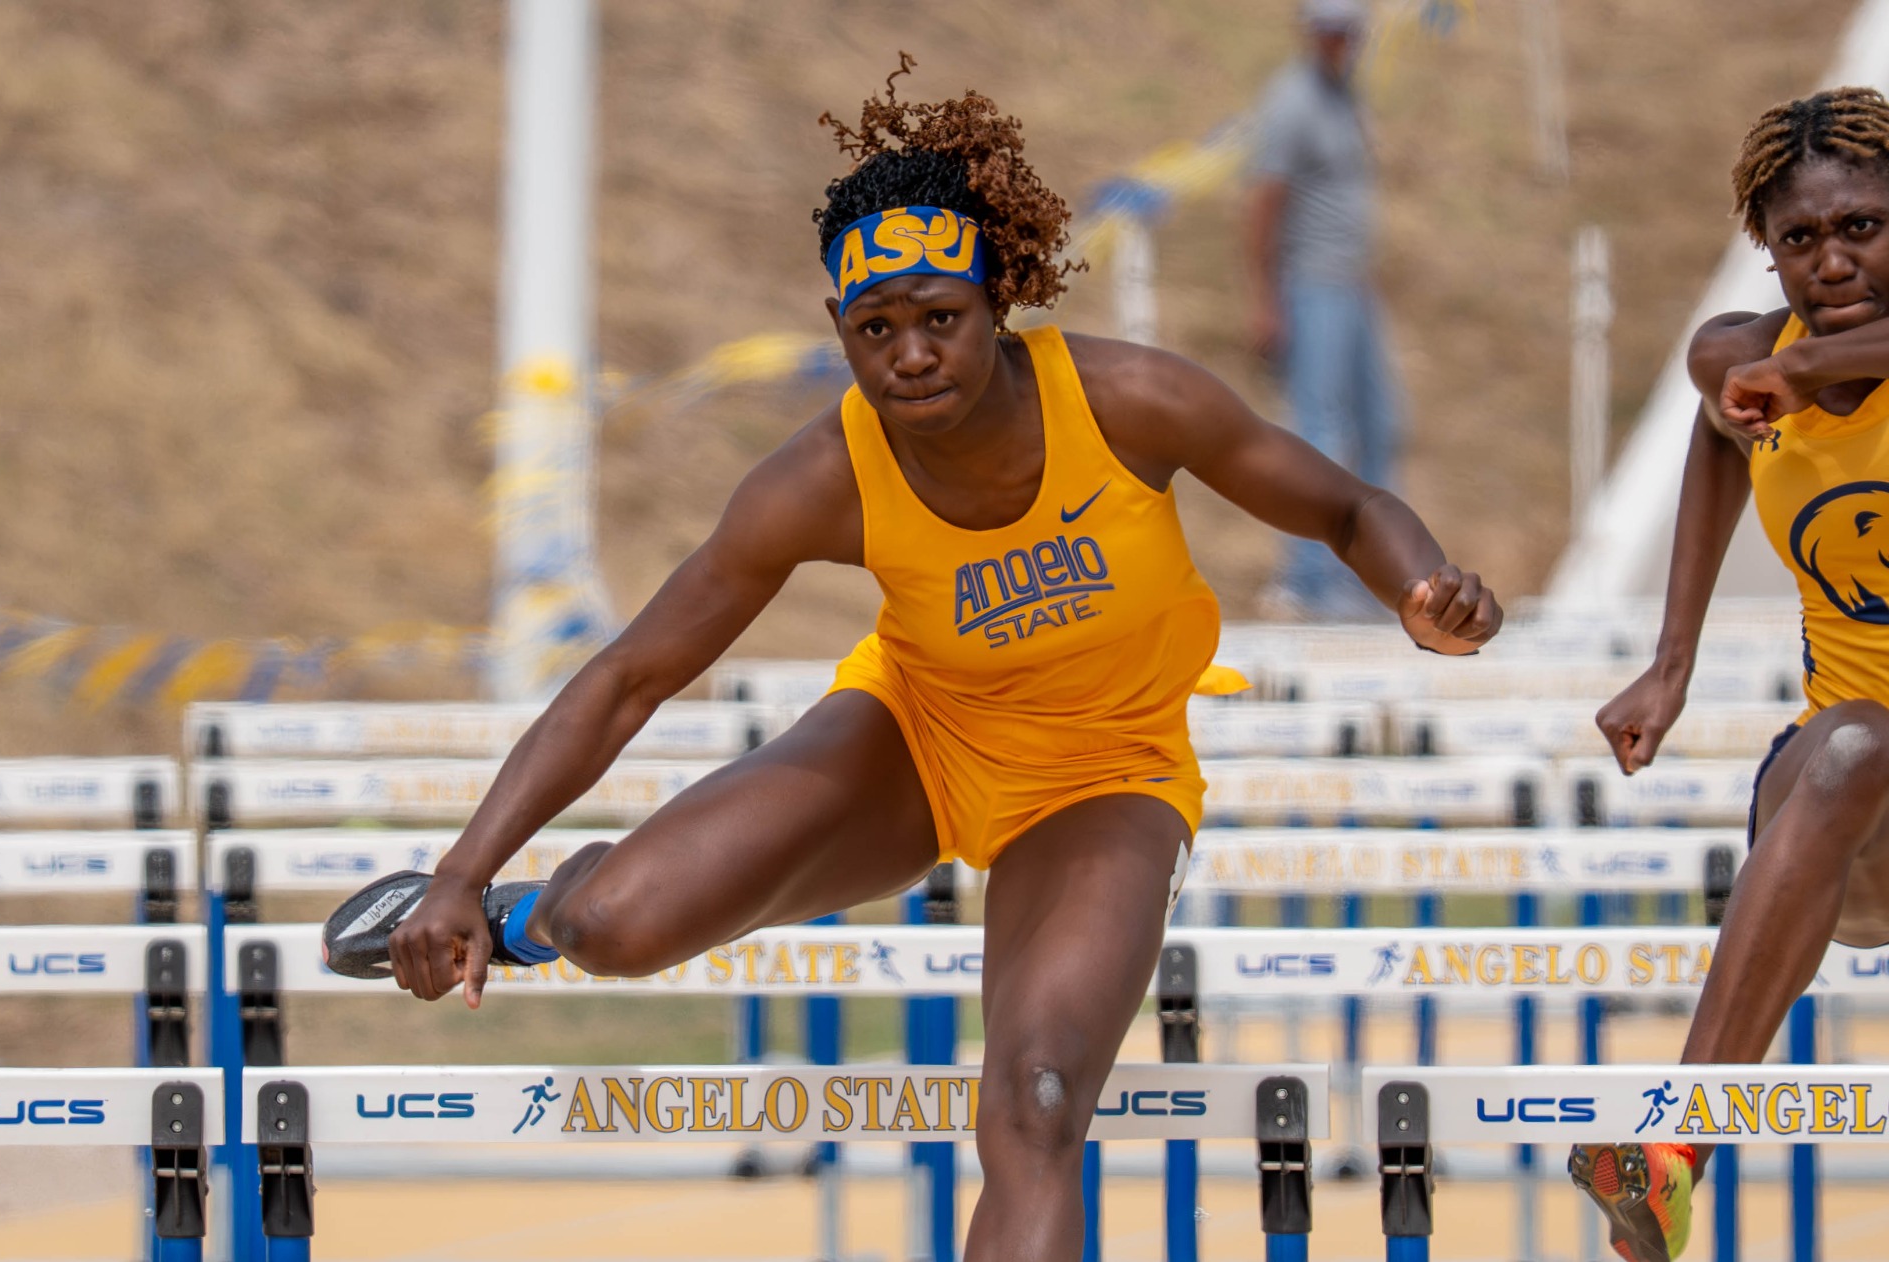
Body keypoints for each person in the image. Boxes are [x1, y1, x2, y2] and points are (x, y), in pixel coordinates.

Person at [323, 58, 1500, 1260]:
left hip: (1104, 776)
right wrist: (463, 870)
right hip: (914, 739)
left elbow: (1344, 505)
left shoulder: (1132, 401)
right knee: (616, 924)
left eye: (941, 318)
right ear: (838, 332)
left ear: (1000, 301)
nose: (912, 357)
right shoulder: (818, 478)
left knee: (1036, 1097)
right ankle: (534, 916)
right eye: (873, 330)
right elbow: (630, 672)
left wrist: (1416, 589)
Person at [1572, 86, 1889, 1262]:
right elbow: (1716, 422)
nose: (1830, 259)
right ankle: (1665, 1156)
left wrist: (1808, 380)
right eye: (1798, 238)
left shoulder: (1790, 381)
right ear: (1764, 250)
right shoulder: (1742, 360)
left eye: (1861, 224)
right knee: (1854, 739)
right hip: (1852, 811)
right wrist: (1670, 666)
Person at [1246, 0, 1403, 620]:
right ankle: (1310, 581)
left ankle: (1375, 575)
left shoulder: (1345, 95)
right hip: (1310, 287)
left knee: (1379, 425)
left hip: (1354, 287)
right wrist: (1265, 300)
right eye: (1332, 33)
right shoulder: (1291, 102)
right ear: (1311, 33)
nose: (1342, 43)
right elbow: (1262, 204)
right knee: (1320, 433)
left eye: (1351, 33)